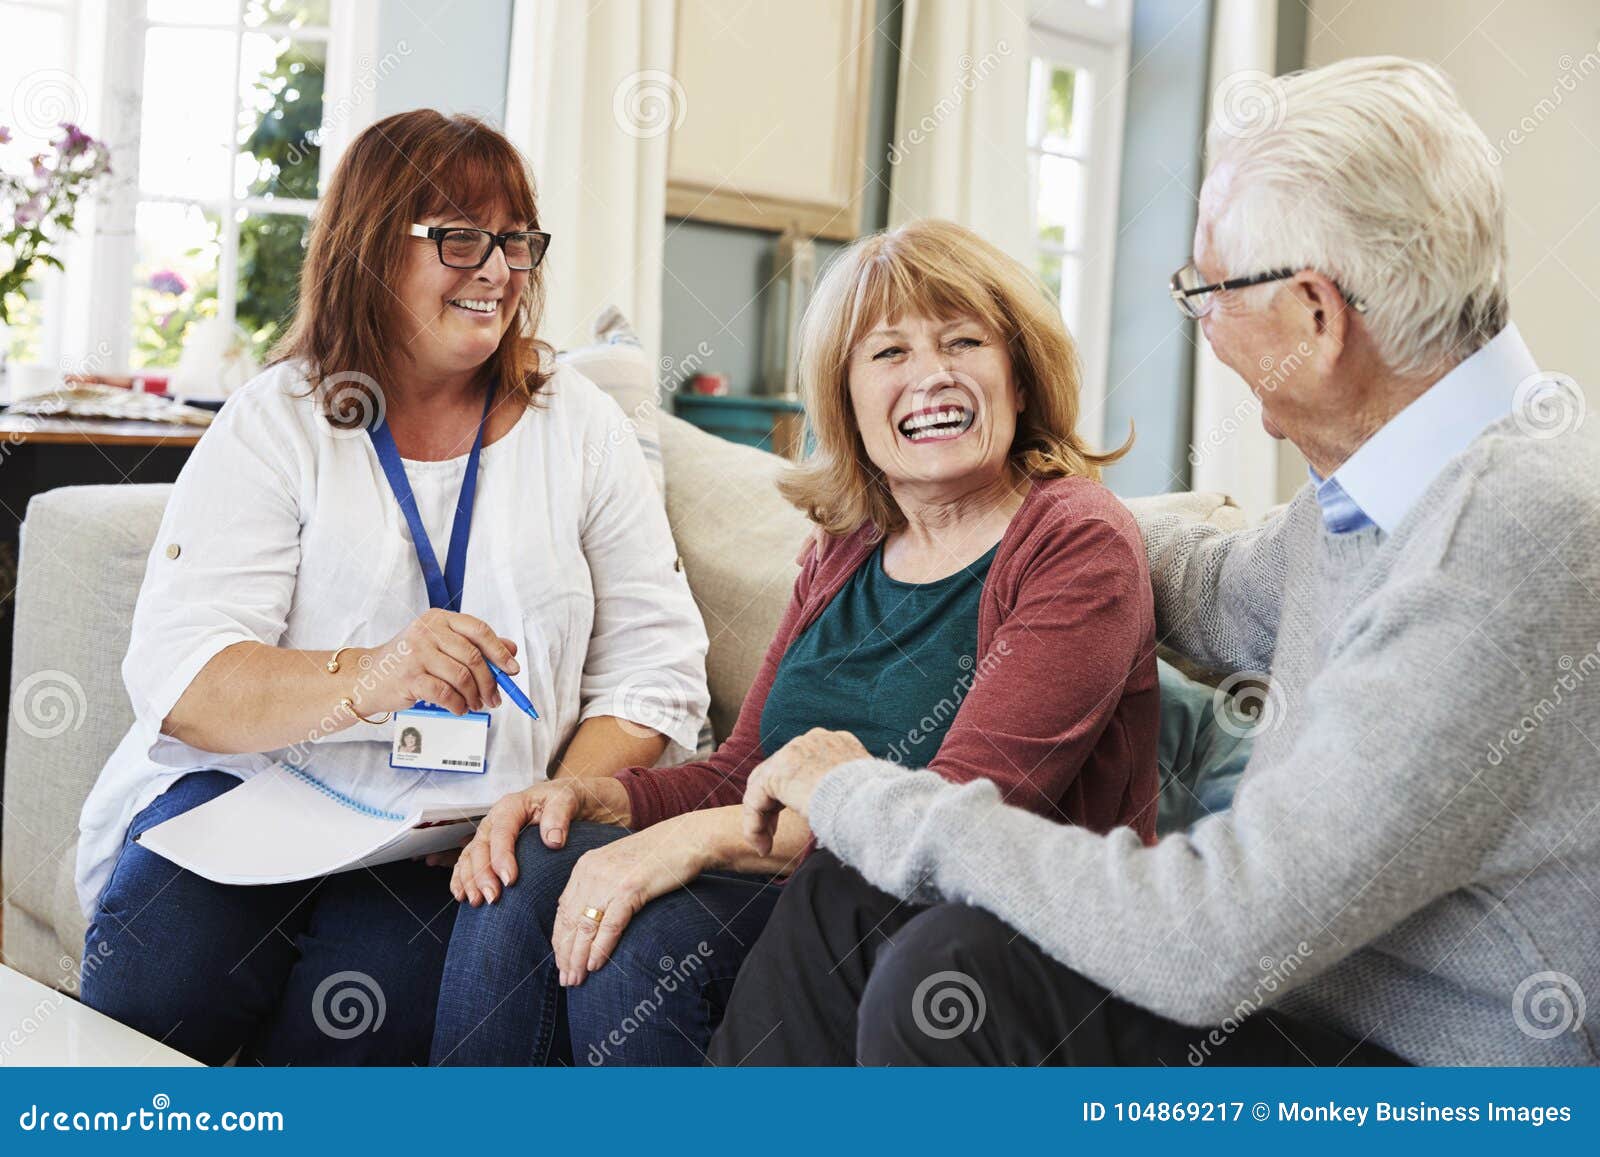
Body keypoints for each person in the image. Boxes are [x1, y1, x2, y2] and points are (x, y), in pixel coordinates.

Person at [710, 56, 1600, 1068]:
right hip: (1313, 1021)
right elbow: (1211, 582)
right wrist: (1011, 512)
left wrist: (863, 789)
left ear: (1314, 315)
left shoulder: (1499, 541)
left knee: (946, 977)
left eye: (1207, 290)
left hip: (1448, 1087)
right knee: (855, 899)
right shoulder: (1389, 487)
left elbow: (1213, 937)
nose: (1201, 318)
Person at [430, 219, 1161, 1066]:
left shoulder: (1073, 538)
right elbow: (744, 771)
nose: (934, 375)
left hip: (982, 932)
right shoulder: (844, 549)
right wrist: (600, 800)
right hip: (813, 887)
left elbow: (962, 819)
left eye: (964, 341)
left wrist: (685, 841)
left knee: (648, 943)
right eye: (889, 353)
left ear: (1021, 377)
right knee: (527, 861)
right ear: (847, 399)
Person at [75, 110, 710, 1065]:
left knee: (365, 1016)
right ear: (370, 248)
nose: (495, 269)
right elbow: (185, 675)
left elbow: (655, 671)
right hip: (254, 796)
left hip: (452, 834)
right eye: (459, 238)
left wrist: (554, 800)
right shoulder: (279, 419)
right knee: (154, 970)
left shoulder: (576, 424)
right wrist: (371, 676)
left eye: (514, 242)